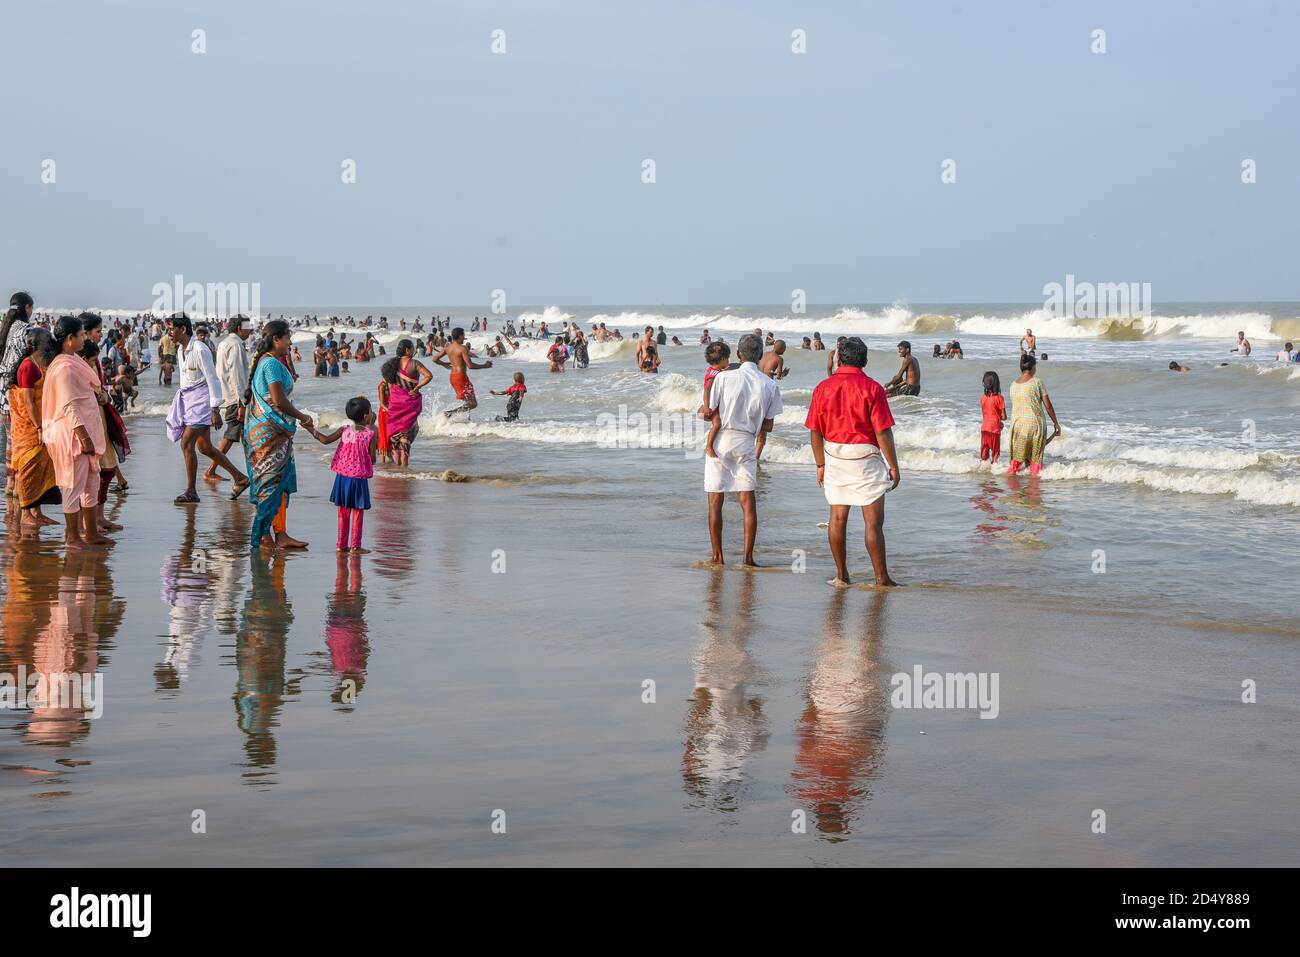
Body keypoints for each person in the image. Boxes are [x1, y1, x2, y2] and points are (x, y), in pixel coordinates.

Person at [805, 336, 900, 587]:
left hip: (834, 455)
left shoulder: (822, 388)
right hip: (865, 456)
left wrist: (820, 464)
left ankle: (841, 575)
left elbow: (814, 431)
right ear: (865, 360)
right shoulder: (873, 388)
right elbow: (882, 432)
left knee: (837, 518)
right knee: (873, 523)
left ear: (838, 358)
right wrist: (893, 465)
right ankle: (881, 578)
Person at [703, 334, 782, 566]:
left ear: (738, 354)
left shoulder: (724, 378)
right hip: (746, 441)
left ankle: (717, 557)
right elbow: (768, 425)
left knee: (715, 501)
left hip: (721, 439)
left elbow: (711, 413)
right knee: (748, 502)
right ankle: (748, 559)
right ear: (760, 356)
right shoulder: (769, 384)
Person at [41, 316, 111, 549]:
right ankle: (72, 536)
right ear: (70, 339)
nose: (85, 337)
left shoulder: (73, 361)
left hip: (87, 433)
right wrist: (84, 437)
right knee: (72, 486)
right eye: (81, 335)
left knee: (91, 484)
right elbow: (68, 406)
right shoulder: (63, 368)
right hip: (72, 436)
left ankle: (90, 533)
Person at [243, 320, 313, 548]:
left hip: (272, 433)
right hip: (268, 434)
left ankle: (279, 534)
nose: (290, 342)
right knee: (269, 484)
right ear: (276, 339)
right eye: (287, 337)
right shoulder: (271, 364)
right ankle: (264, 535)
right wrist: (303, 417)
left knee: (276, 482)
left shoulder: (266, 361)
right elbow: (279, 400)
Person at [165, 314, 247, 504]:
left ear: (182, 329)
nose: (169, 332)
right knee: (205, 448)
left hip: (203, 402)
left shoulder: (200, 349)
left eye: (171, 329)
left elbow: (212, 378)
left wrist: (215, 409)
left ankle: (192, 490)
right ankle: (240, 478)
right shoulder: (181, 350)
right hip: (189, 400)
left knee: (186, 444)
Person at [5, 327, 60, 526]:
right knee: (28, 468)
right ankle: (27, 514)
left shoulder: (40, 363)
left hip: (41, 422)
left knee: (39, 468)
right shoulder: (28, 366)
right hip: (29, 427)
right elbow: (27, 401)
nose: (51, 342)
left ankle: (37, 513)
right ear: (38, 344)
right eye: (48, 339)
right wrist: (39, 427)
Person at [309, 396, 377, 554]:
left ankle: (341, 544)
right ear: (366, 416)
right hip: (359, 478)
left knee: (343, 511)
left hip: (343, 477)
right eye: (371, 411)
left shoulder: (344, 429)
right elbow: (372, 458)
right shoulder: (371, 433)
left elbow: (325, 440)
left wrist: (310, 429)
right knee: (358, 511)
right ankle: (355, 546)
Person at [206, 315, 252, 482]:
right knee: (231, 434)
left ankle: (212, 469)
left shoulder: (225, 343)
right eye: (248, 327)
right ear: (239, 328)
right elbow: (238, 376)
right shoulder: (236, 345)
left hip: (226, 394)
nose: (250, 330)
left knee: (233, 434)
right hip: (234, 397)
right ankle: (211, 470)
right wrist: (242, 402)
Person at [0, 292, 36, 499]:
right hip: (19, 387)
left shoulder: (6, 328)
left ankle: (10, 483)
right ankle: (19, 483)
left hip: (3, 389)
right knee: (21, 438)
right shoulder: (27, 330)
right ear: (28, 308)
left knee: (10, 438)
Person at [1007, 354, 1060, 475]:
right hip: (1035, 425)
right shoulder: (1037, 382)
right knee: (1035, 461)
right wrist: (1056, 423)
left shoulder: (1013, 385)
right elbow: (1048, 406)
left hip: (1018, 426)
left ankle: (1013, 488)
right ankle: (1034, 487)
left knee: (1016, 462)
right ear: (1033, 368)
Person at [386, 341, 431, 464]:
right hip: (409, 403)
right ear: (407, 350)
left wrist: (394, 397)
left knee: (396, 433)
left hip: (395, 403)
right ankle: (404, 468)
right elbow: (429, 376)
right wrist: (416, 388)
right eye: (412, 348)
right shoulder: (415, 363)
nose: (413, 351)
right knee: (407, 432)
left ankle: (398, 471)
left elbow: (390, 385)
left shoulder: (393, 364)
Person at [432, 327, 491, 418]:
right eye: (463, 336)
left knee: (467, 401)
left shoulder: (448, 348)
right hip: (461, 377)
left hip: (453, 377)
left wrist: (444, 364)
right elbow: (470, 366)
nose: (464, 338)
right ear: (459, 336)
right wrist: (484, 365)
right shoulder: (462, 349)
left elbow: (434, 359)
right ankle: (449, 413)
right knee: (473, 404)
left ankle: (467, 419)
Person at [979, 371, 1007, 464]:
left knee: (984, 456)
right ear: (997, 383)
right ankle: (994, 474)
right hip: (994, 430)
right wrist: (1000, 422)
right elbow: (1004, 416)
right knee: (995, 456)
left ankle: (984, 475)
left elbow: (986, 414)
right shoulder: (999, 398)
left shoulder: (983, 398)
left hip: (984, 429)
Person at [376, 365, 394, 464]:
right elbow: (382, 403)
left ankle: (389, 457)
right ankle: (382, 460)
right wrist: (390, 410)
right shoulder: (382, 386)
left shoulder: (390, 384)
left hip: (390, 411)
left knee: (390, 435)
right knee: (384, 436)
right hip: (384, 412)